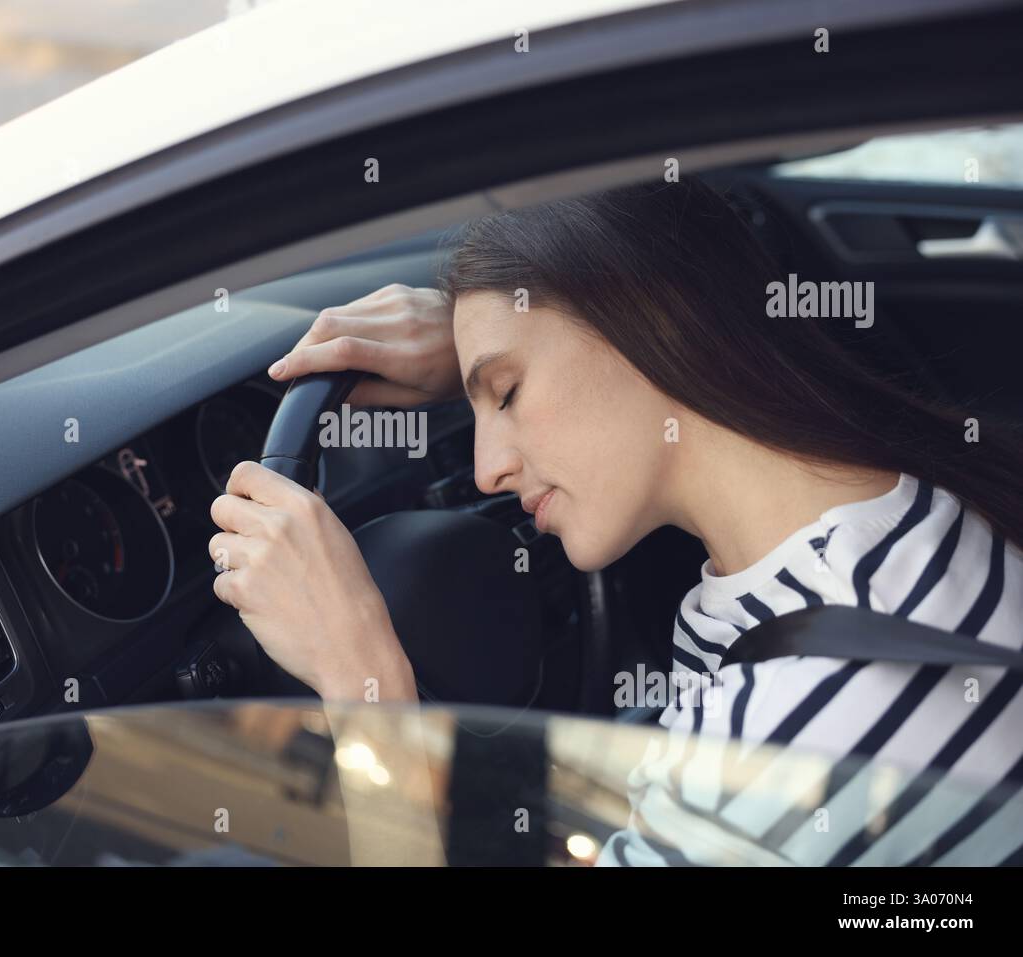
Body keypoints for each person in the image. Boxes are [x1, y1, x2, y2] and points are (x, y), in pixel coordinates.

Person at [207, 179, 1023, 864]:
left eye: (510, 393)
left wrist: (362, 676)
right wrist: (483, 346)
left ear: (654, 318)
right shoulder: (917, 506)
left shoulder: (780, 746)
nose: (487, 470)